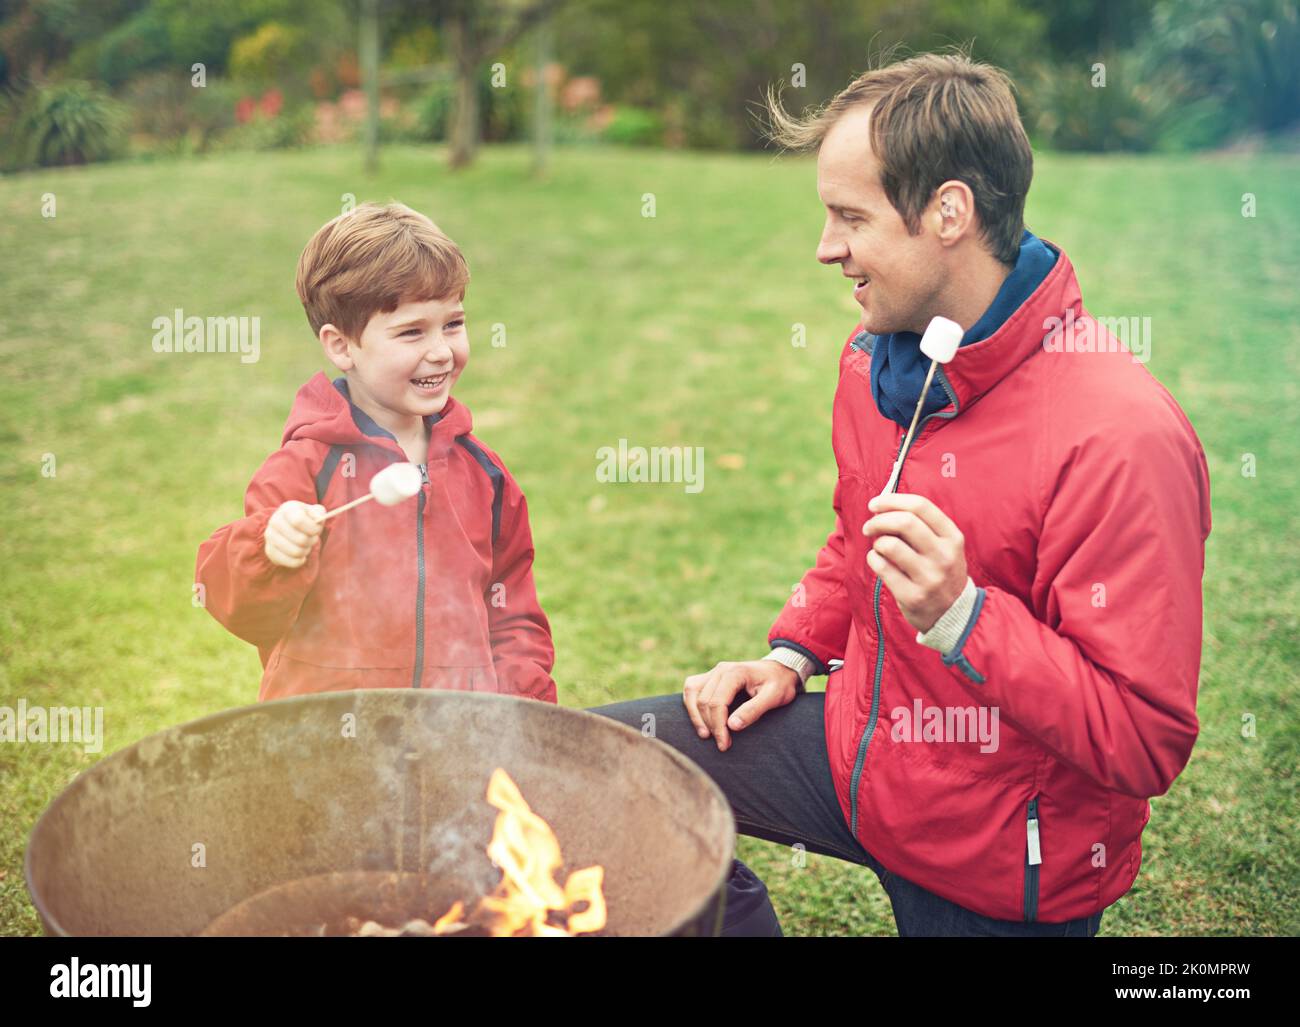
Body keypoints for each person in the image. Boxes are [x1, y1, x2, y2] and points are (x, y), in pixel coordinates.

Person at [592, 51, 1211, 936]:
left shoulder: (1120, 435)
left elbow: (1145, 738)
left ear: (949, 212)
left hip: (999, 853)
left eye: (850, 216)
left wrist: (965, 617)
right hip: (859, 756)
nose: (825, 247)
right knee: (600, 766)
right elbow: (858, 539)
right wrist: (792, 657)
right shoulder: (877, 359)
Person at [195, 201, 556, 703]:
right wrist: (268, 550)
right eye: (412, 331)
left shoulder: (484, 475)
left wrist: (521, 716)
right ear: (342, 346)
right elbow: (242, 609)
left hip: (458, 736)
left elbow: (514, 616)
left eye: (452, 324)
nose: (441, 351)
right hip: (328, 741)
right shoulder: (304, 471)